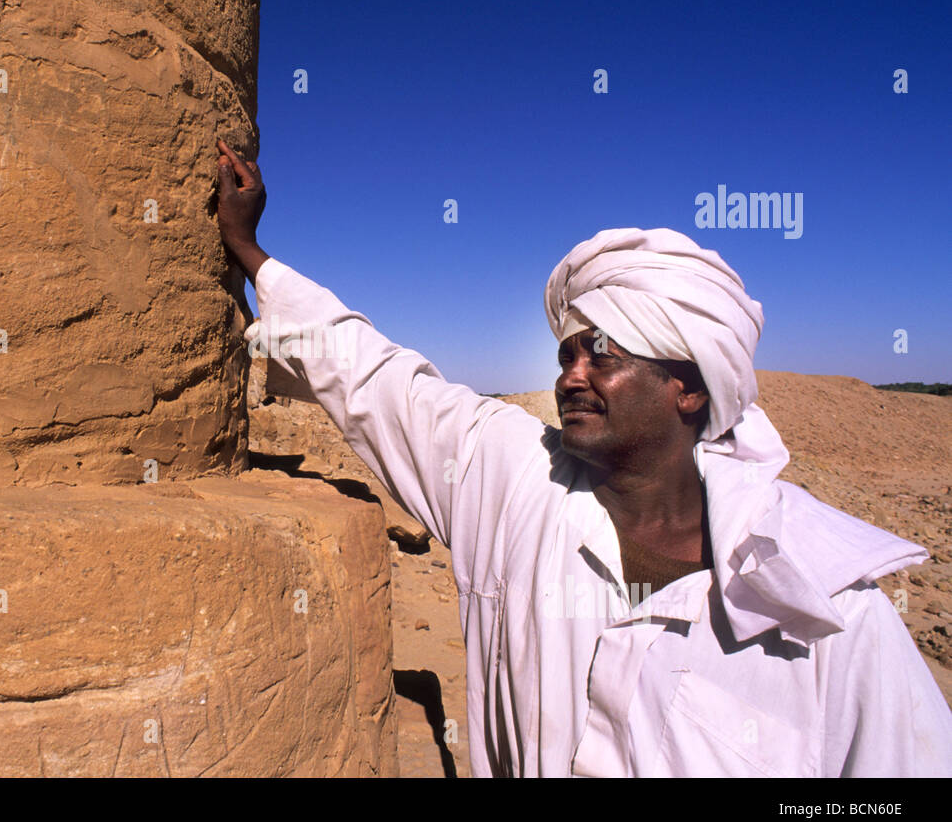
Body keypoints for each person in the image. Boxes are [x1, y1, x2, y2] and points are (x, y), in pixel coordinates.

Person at [213, 138, 952, 777]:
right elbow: (377, 380)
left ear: (690, 388)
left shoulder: (828, 605)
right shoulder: (510, 478)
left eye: (603, 356)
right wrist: (252, 255)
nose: (570, 376)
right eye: (567, 354)